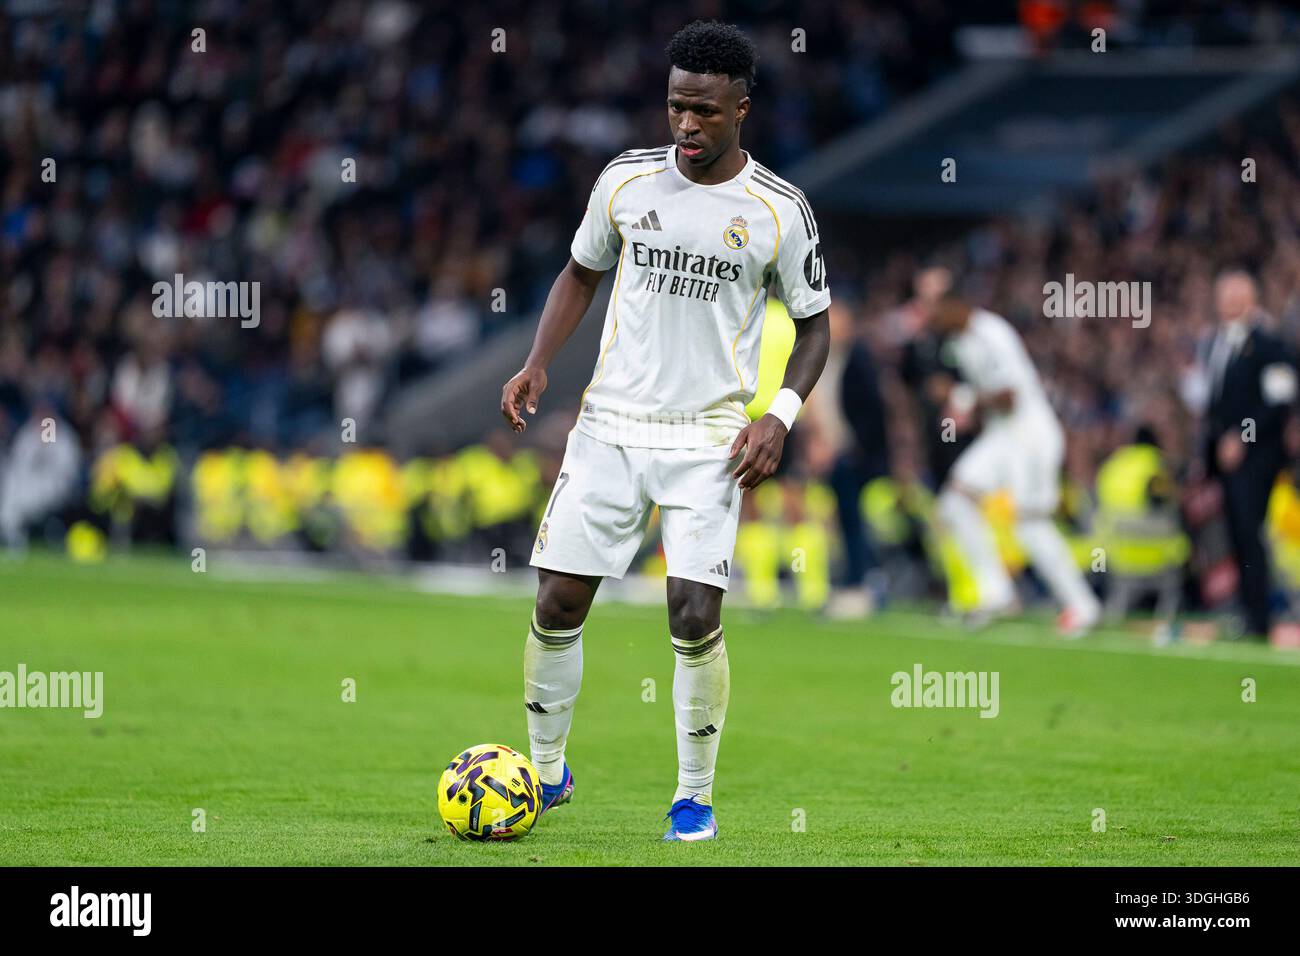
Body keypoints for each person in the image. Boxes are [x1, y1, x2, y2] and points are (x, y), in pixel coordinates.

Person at [499, 21, 831, 841]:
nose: (686, 125)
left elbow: (817, 325)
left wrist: (779, 416)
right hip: (609, 425)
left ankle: (692, 795)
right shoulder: (625, 181)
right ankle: (545, 773)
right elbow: (581, 272)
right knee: (557, 599)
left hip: (710, 438)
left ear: (741, 109)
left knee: (691, 614)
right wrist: (539, 361)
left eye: (705, 112)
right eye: (676, 107)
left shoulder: (779, 211)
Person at [928, 292, 1102, 636]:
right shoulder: (959, 343)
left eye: (938, 310)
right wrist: (962, 406)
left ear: (957, 305)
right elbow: (988, 406)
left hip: (1030, 435)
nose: (934, 319)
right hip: (1001, 436)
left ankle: (1082, 605)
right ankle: (996, 593)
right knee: (955, 502)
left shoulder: (991, 333)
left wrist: (963, 399)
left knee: (1030, 524)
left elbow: (1010, 397)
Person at [1201, 269, 1297, 639]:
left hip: (1257, 458)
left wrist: (1242, 438)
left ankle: (1258, 618)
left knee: (1250, 532)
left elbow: (1279, 400)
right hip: (1225, 459)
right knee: (1237, 535)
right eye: (1222, 296)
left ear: (1249, 300)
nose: (1225, 304)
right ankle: (1246, 610)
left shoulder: (1269, 344)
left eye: (1232, 296)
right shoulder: (1215, 343)